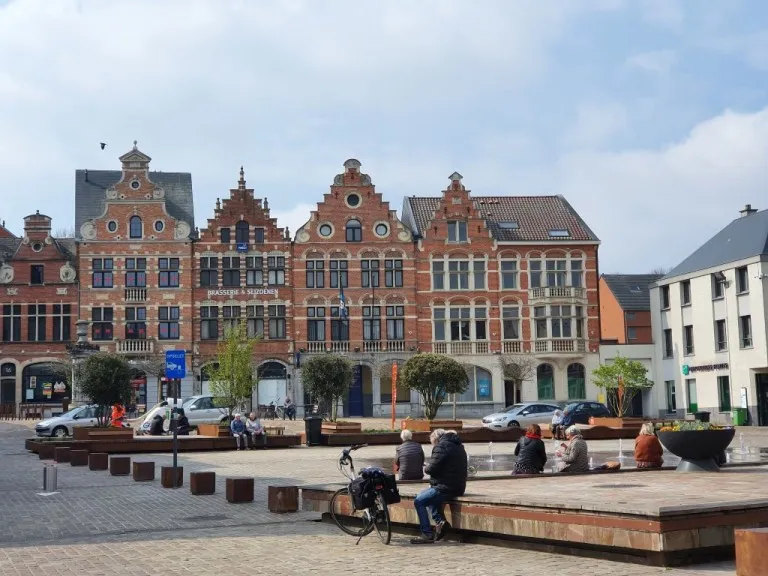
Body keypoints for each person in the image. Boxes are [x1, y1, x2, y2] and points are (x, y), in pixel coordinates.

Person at [411, 429, 467, 545]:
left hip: (445, 487)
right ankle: (440, 522)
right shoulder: (459, 446)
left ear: (436, 440)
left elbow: (432, 468)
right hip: (458, 486)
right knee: (431, 499)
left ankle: (426, 534)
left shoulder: (441, 447)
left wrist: (426, 467)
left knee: (419, 501)